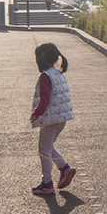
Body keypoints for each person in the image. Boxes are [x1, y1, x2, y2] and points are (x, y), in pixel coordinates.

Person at [29, 42, 76, 196]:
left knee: (43, 150)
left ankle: (47, 183)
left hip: (50, 119)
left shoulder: (45, 76)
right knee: (48, 146)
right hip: (61, 119)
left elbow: (45, 99)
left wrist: (36, 113)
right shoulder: (58, 73)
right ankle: (64, 168)